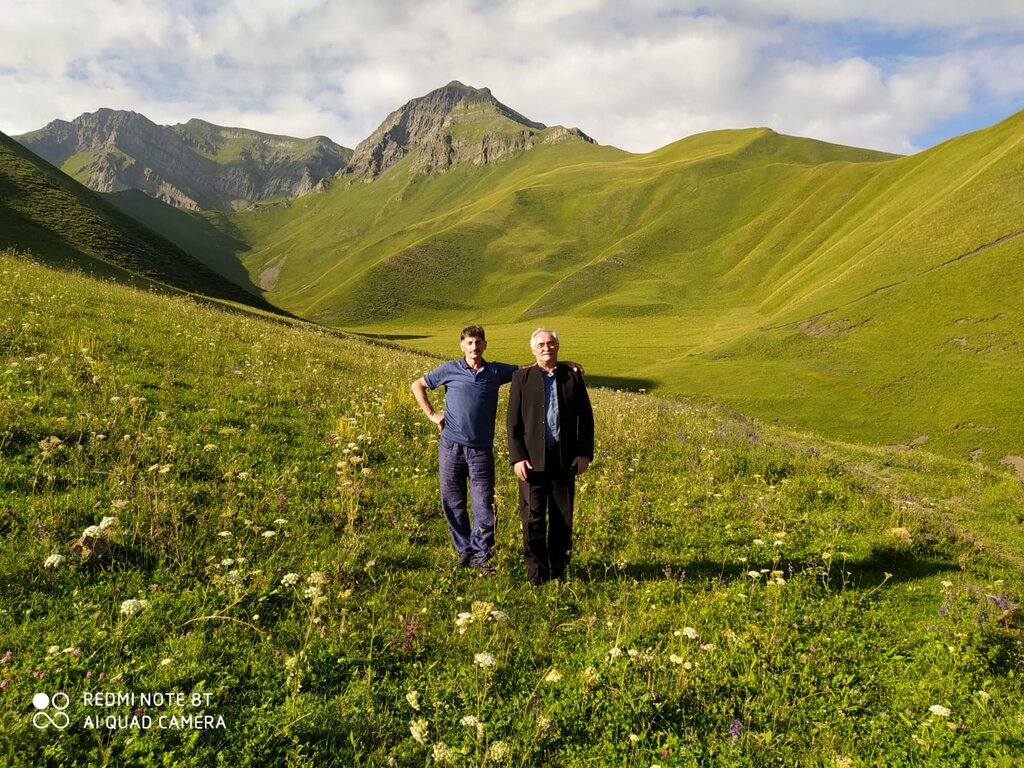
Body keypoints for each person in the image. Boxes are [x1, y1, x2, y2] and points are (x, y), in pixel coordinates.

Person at [411, 326, 582, 576]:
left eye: (478, 342)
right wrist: (432, 415)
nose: (474, 347)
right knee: (453, 501)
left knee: (483, 504)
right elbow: (418, 385)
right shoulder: (449, 369)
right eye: (469, 343)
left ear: (485, 345)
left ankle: (482, 555)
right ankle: (464, 551)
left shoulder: (495, 371)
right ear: (462, 346)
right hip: (450, 446)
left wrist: (561, 363)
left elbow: (529, 368)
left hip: (481, 450)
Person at [507, 328, 594, 585]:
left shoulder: (572, 377)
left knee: (562, 517)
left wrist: (584, 454)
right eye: (541, 344)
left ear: (558, 346)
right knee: (532, 516)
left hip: (564, 459)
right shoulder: (521, 378)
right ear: (533, 349)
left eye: (551, 343)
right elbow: (512, 422)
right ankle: (536, 574)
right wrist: (517, 458)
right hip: (531, 461)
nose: (547, 347)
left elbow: (585, 419)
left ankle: (558, 571)